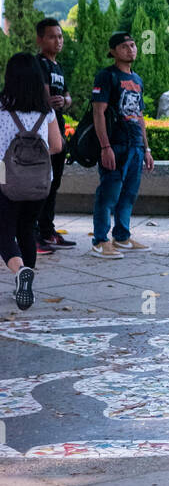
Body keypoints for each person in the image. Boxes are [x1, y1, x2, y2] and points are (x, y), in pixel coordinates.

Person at [0, 52, 64, 309]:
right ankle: (27, 280)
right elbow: (57, 146)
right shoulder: (46, 110)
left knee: (3, 230)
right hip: (40, 180)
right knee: (27, 228)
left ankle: (19, 272)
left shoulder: (1, 107)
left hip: (4, 173)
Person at [90, 32, 154, 258]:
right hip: (115, 145)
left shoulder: (137, 80)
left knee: (129, 194)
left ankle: (122, 236)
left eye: (134, 45)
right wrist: (105, 147)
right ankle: (100, 241)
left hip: (135, 146)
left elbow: (139, 115)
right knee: (108, 194)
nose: (131, 49)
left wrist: (146, 149)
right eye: (125, 46)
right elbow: (99, 112)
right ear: (113, 51)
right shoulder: (106, 76)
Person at [34, 16, 76, 254]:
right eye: (52, 36)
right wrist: (50, 100)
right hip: (41, 133)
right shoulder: (37, 64)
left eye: (60, 36)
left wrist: (65, 101)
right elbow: (43, 96)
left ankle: (48, 230)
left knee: (54, 183)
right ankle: (34, 234)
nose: (58, 41)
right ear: (40, 39)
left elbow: (68, 97)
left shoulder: (58, 67)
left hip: (58, 130)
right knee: (41, 183)